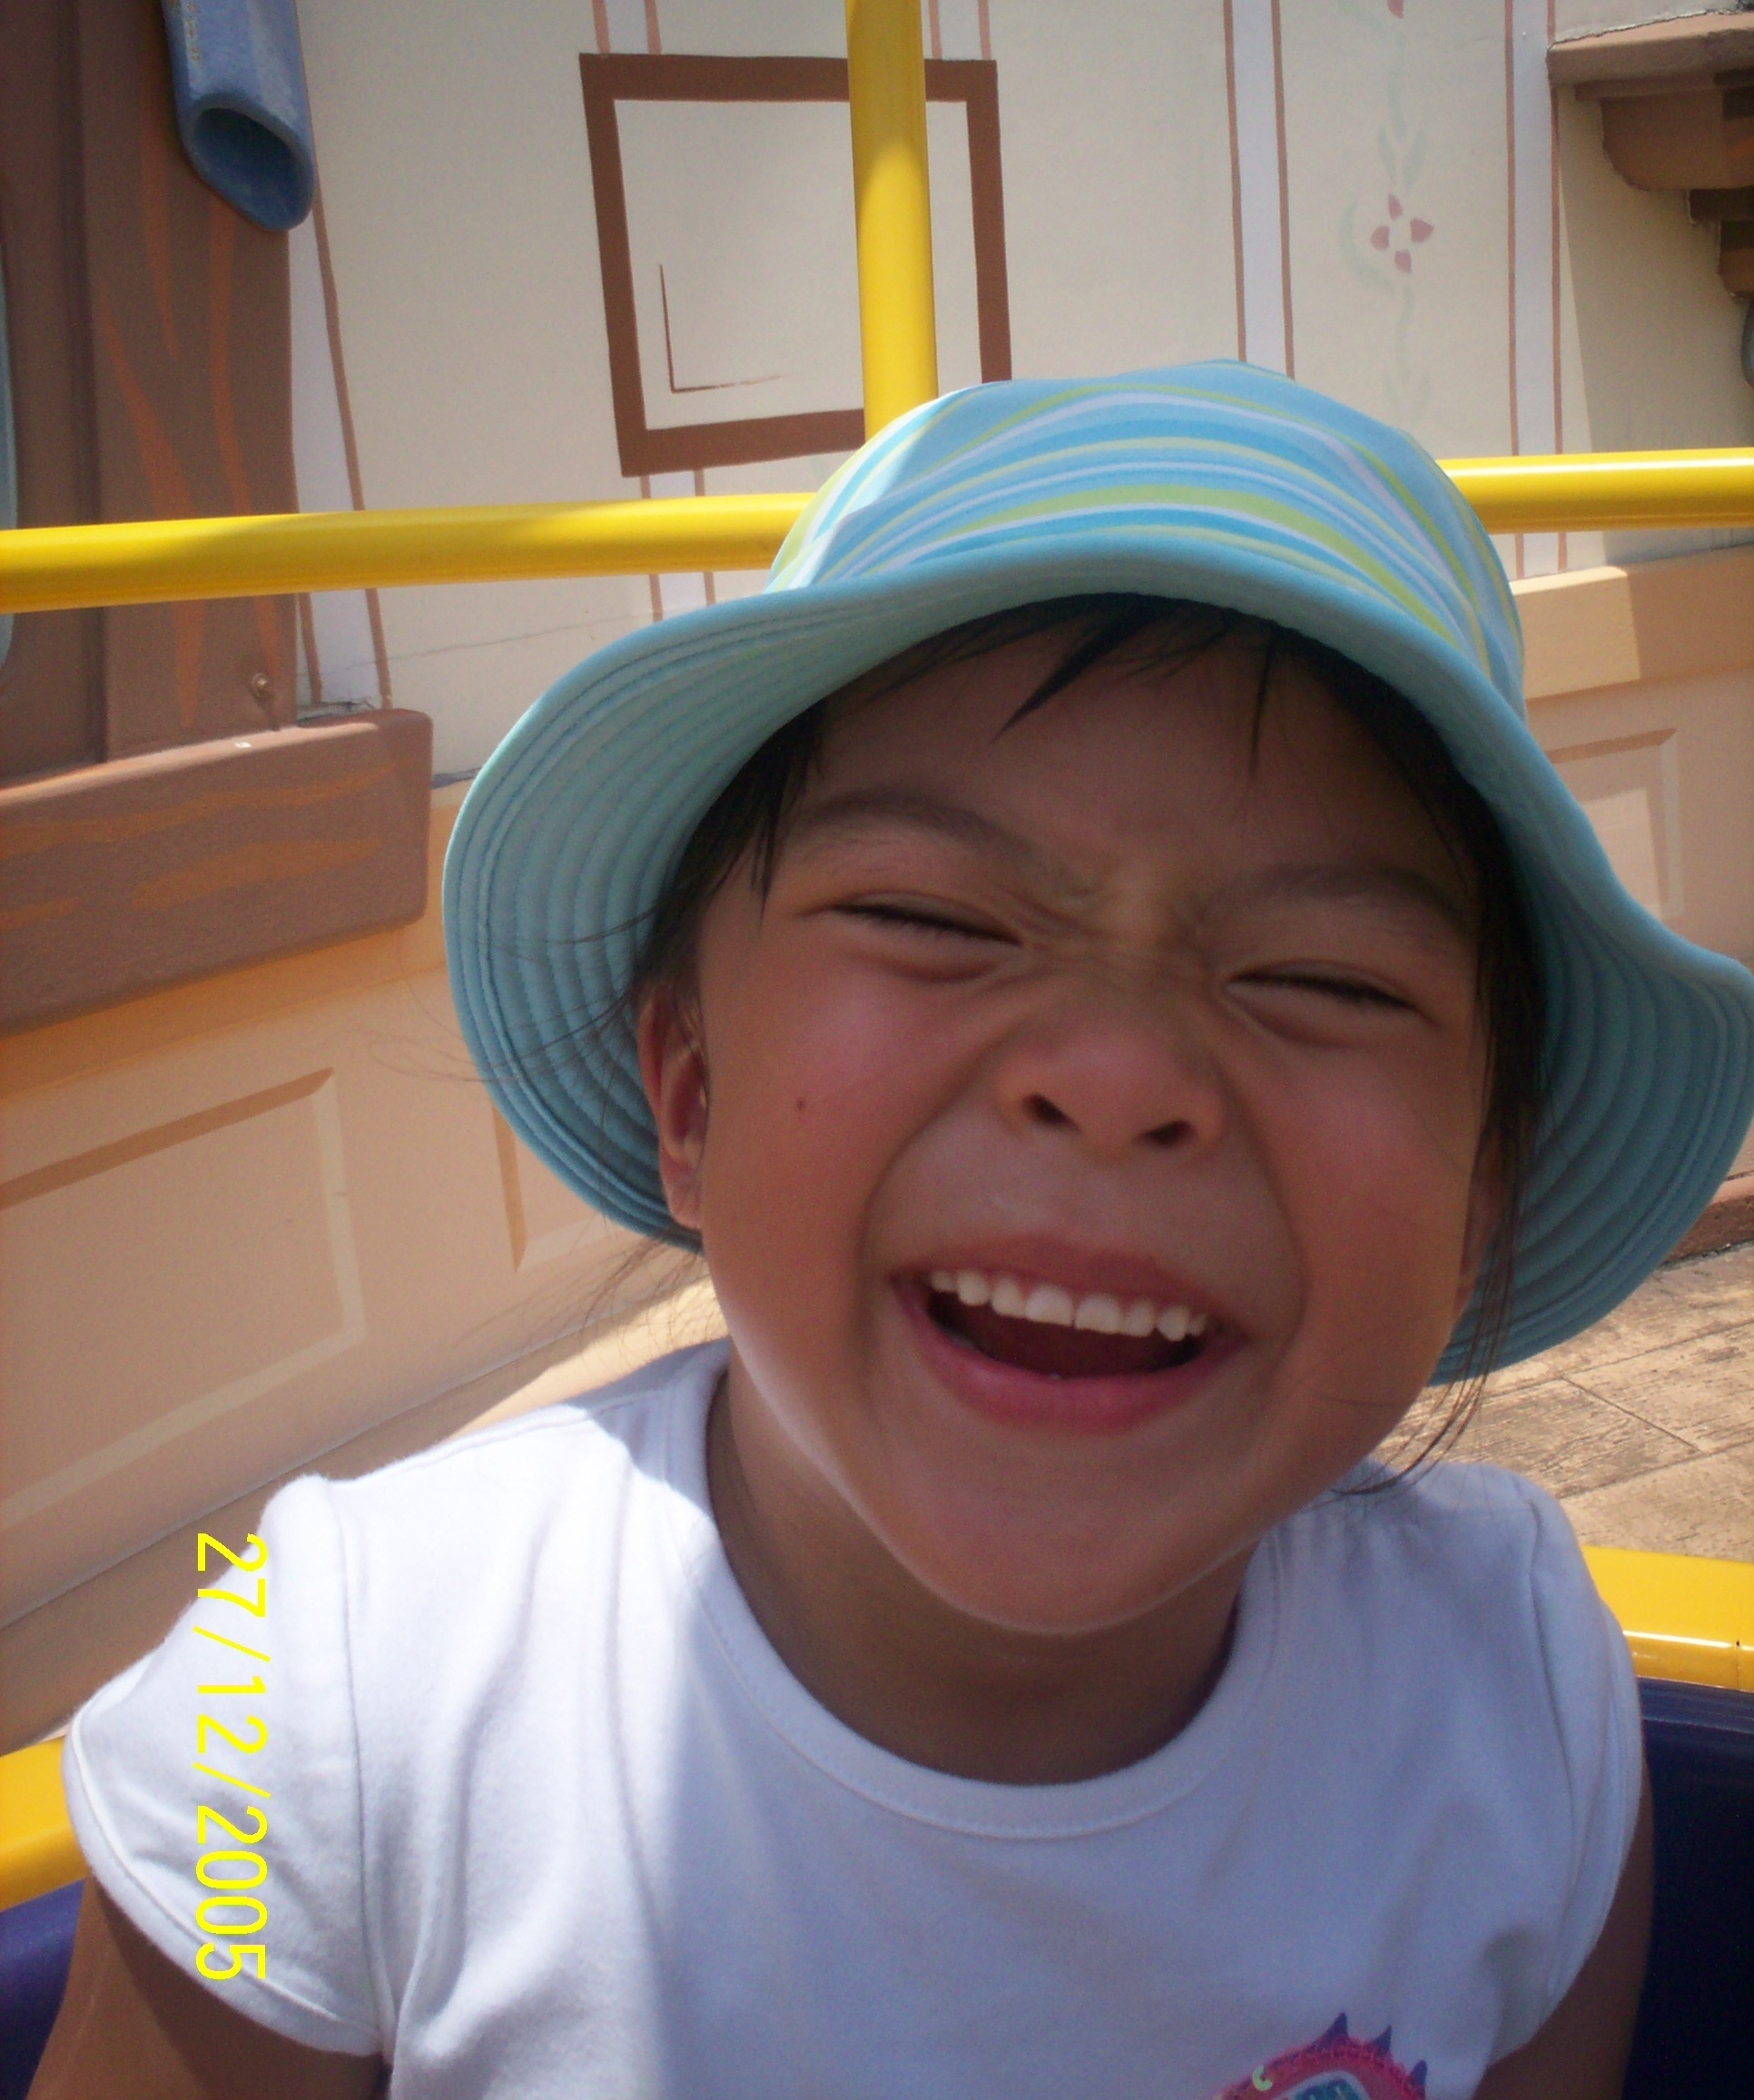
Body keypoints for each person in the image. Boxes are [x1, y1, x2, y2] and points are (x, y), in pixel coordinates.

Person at [33, 368, 1754, 2100]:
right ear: (689, 1099)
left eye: (1324, 978)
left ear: (1479, 1201)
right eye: (933, 918)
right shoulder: (307, 1698)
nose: (1117, 1072)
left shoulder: (1521, 1697)